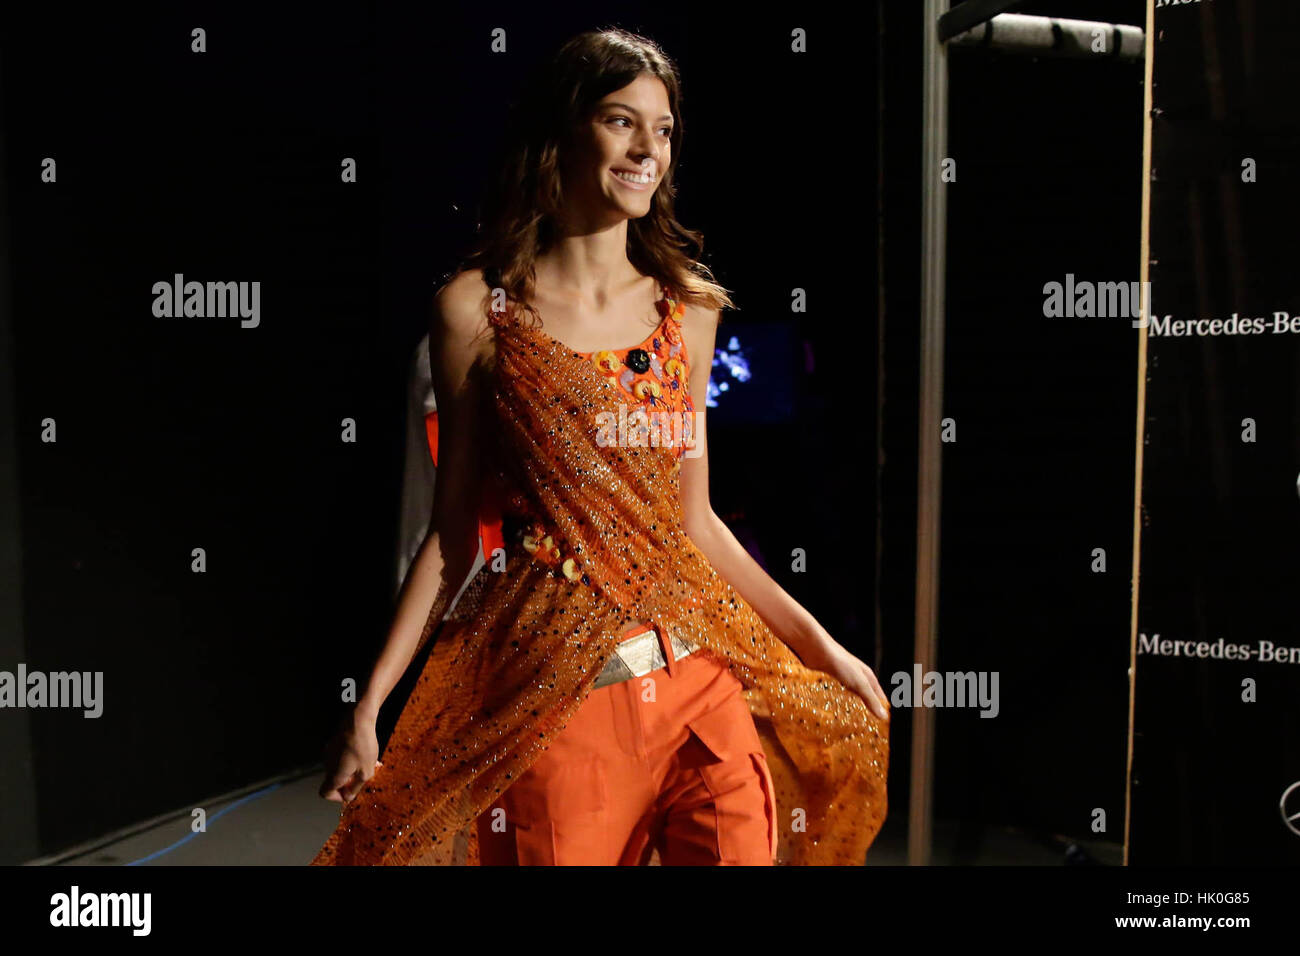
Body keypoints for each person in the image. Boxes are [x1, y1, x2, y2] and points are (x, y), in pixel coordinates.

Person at [311, 27, 889, 867]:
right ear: (563, 131)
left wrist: (821, 646)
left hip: (701, 686)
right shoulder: (477, 312)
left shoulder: (686, 310)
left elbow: (697, 522)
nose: (647, 148)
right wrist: (370, 708)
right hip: (561, 707)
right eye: (623, 121)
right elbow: (453, 535)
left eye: (663, 130)